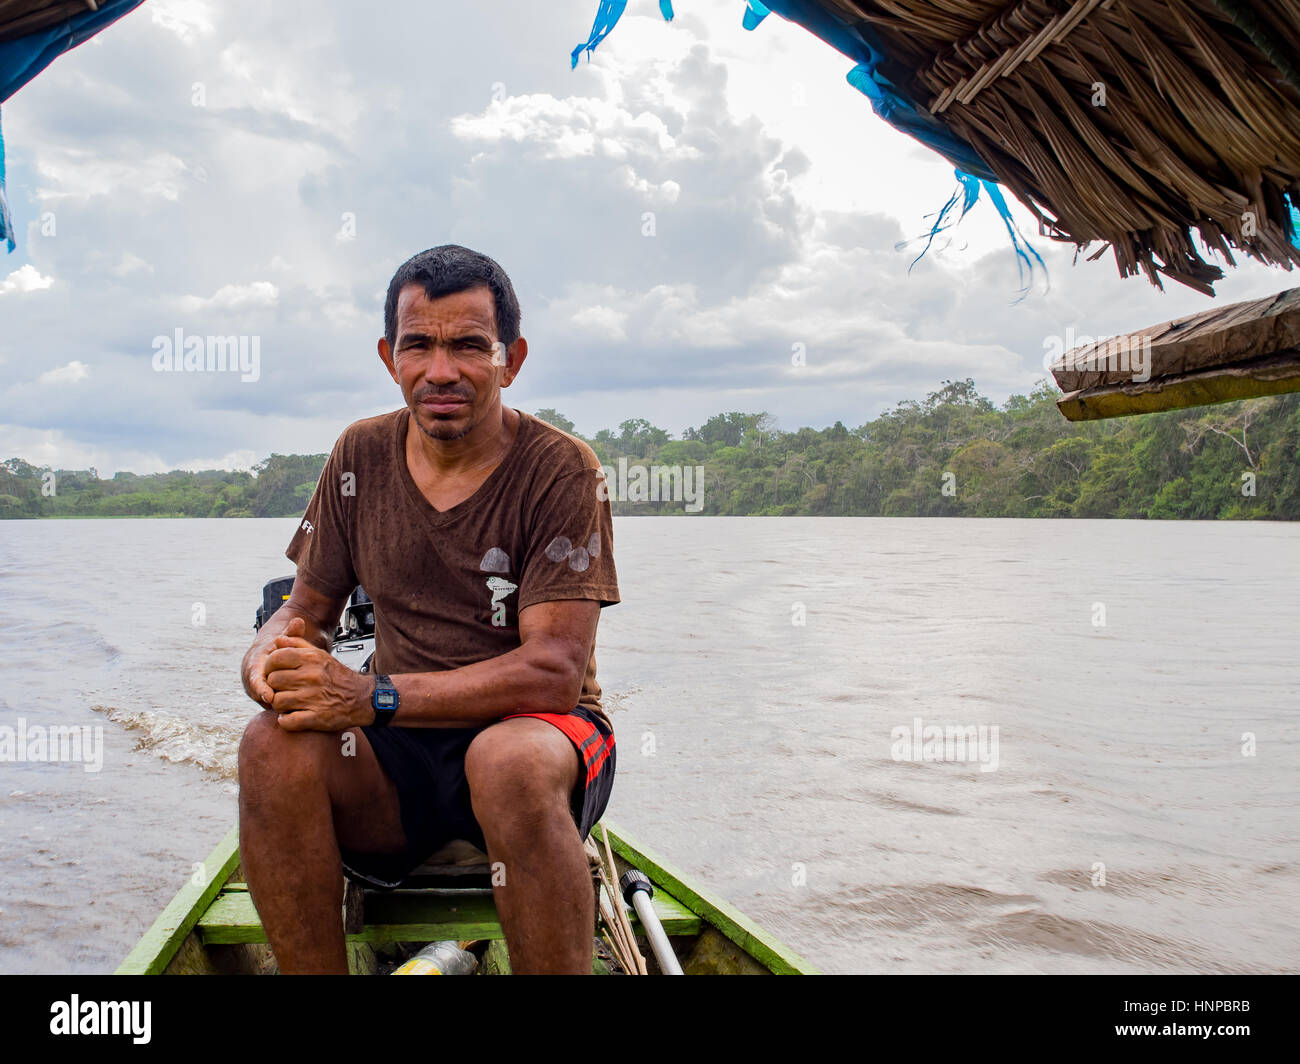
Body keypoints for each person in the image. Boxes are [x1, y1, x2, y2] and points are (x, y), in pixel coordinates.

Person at [237, 245, 619, 974]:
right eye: (420, 345)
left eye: (469, 345)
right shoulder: (359, 455)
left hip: (534, 742)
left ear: (512, 359)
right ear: (390, 356)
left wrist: (370, 694)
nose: (441, 370)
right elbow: (305, 612)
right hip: (395, 761)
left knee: (504, 760)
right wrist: (266, 660)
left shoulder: (561, 468)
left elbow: (554, 674)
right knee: (269, 743)